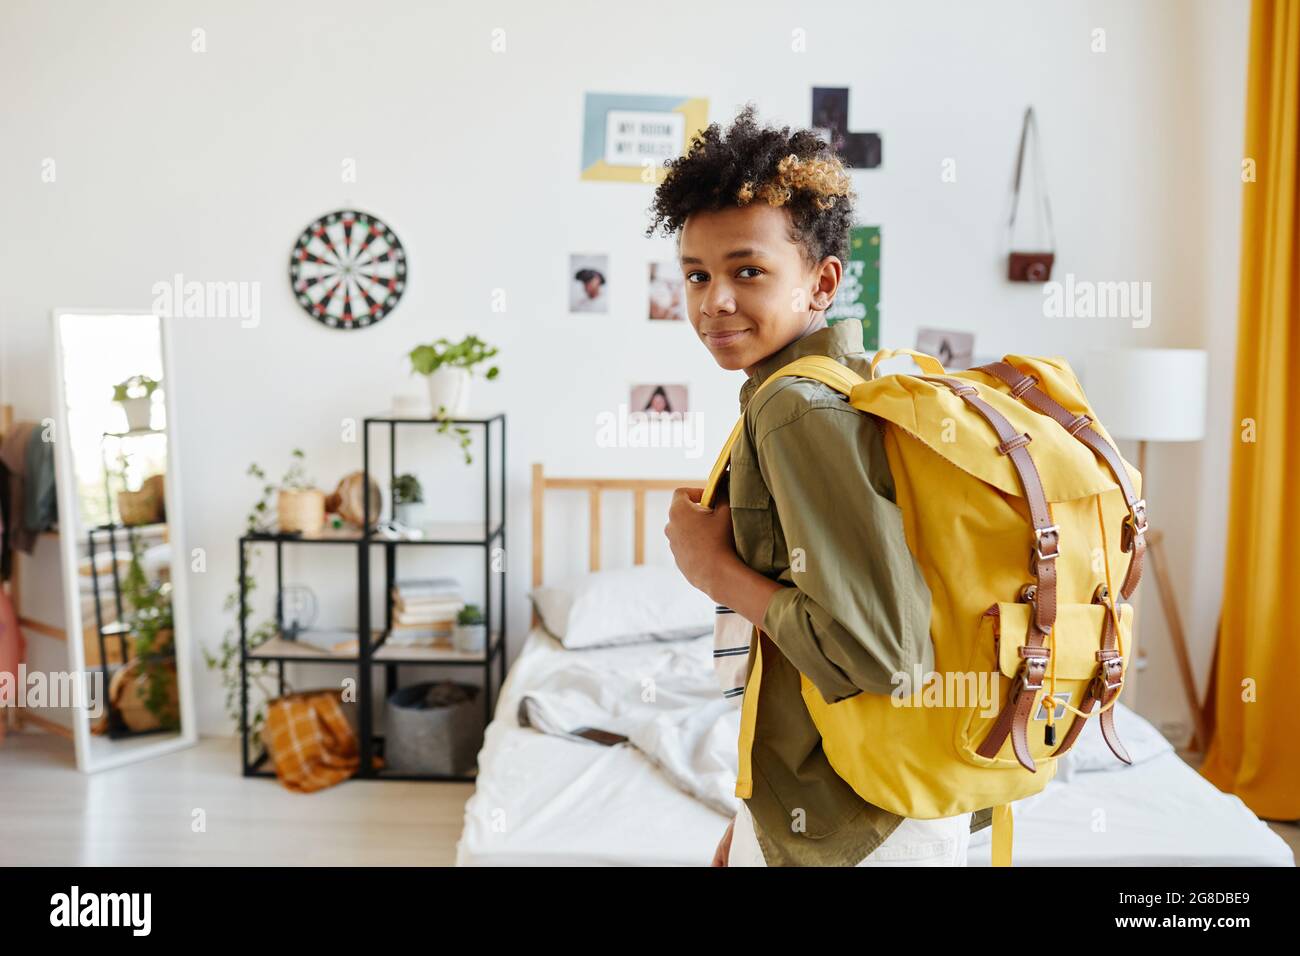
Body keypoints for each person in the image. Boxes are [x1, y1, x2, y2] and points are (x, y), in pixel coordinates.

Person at [652, 103, 991, 866]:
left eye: (748, 271)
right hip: (863, 802)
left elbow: (885, 655)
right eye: (697, 275)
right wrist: (753, 815)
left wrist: (712, 570)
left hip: (863, 826)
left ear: (822, 281)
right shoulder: (844, 383)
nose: (716, 301)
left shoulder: (794, 408)